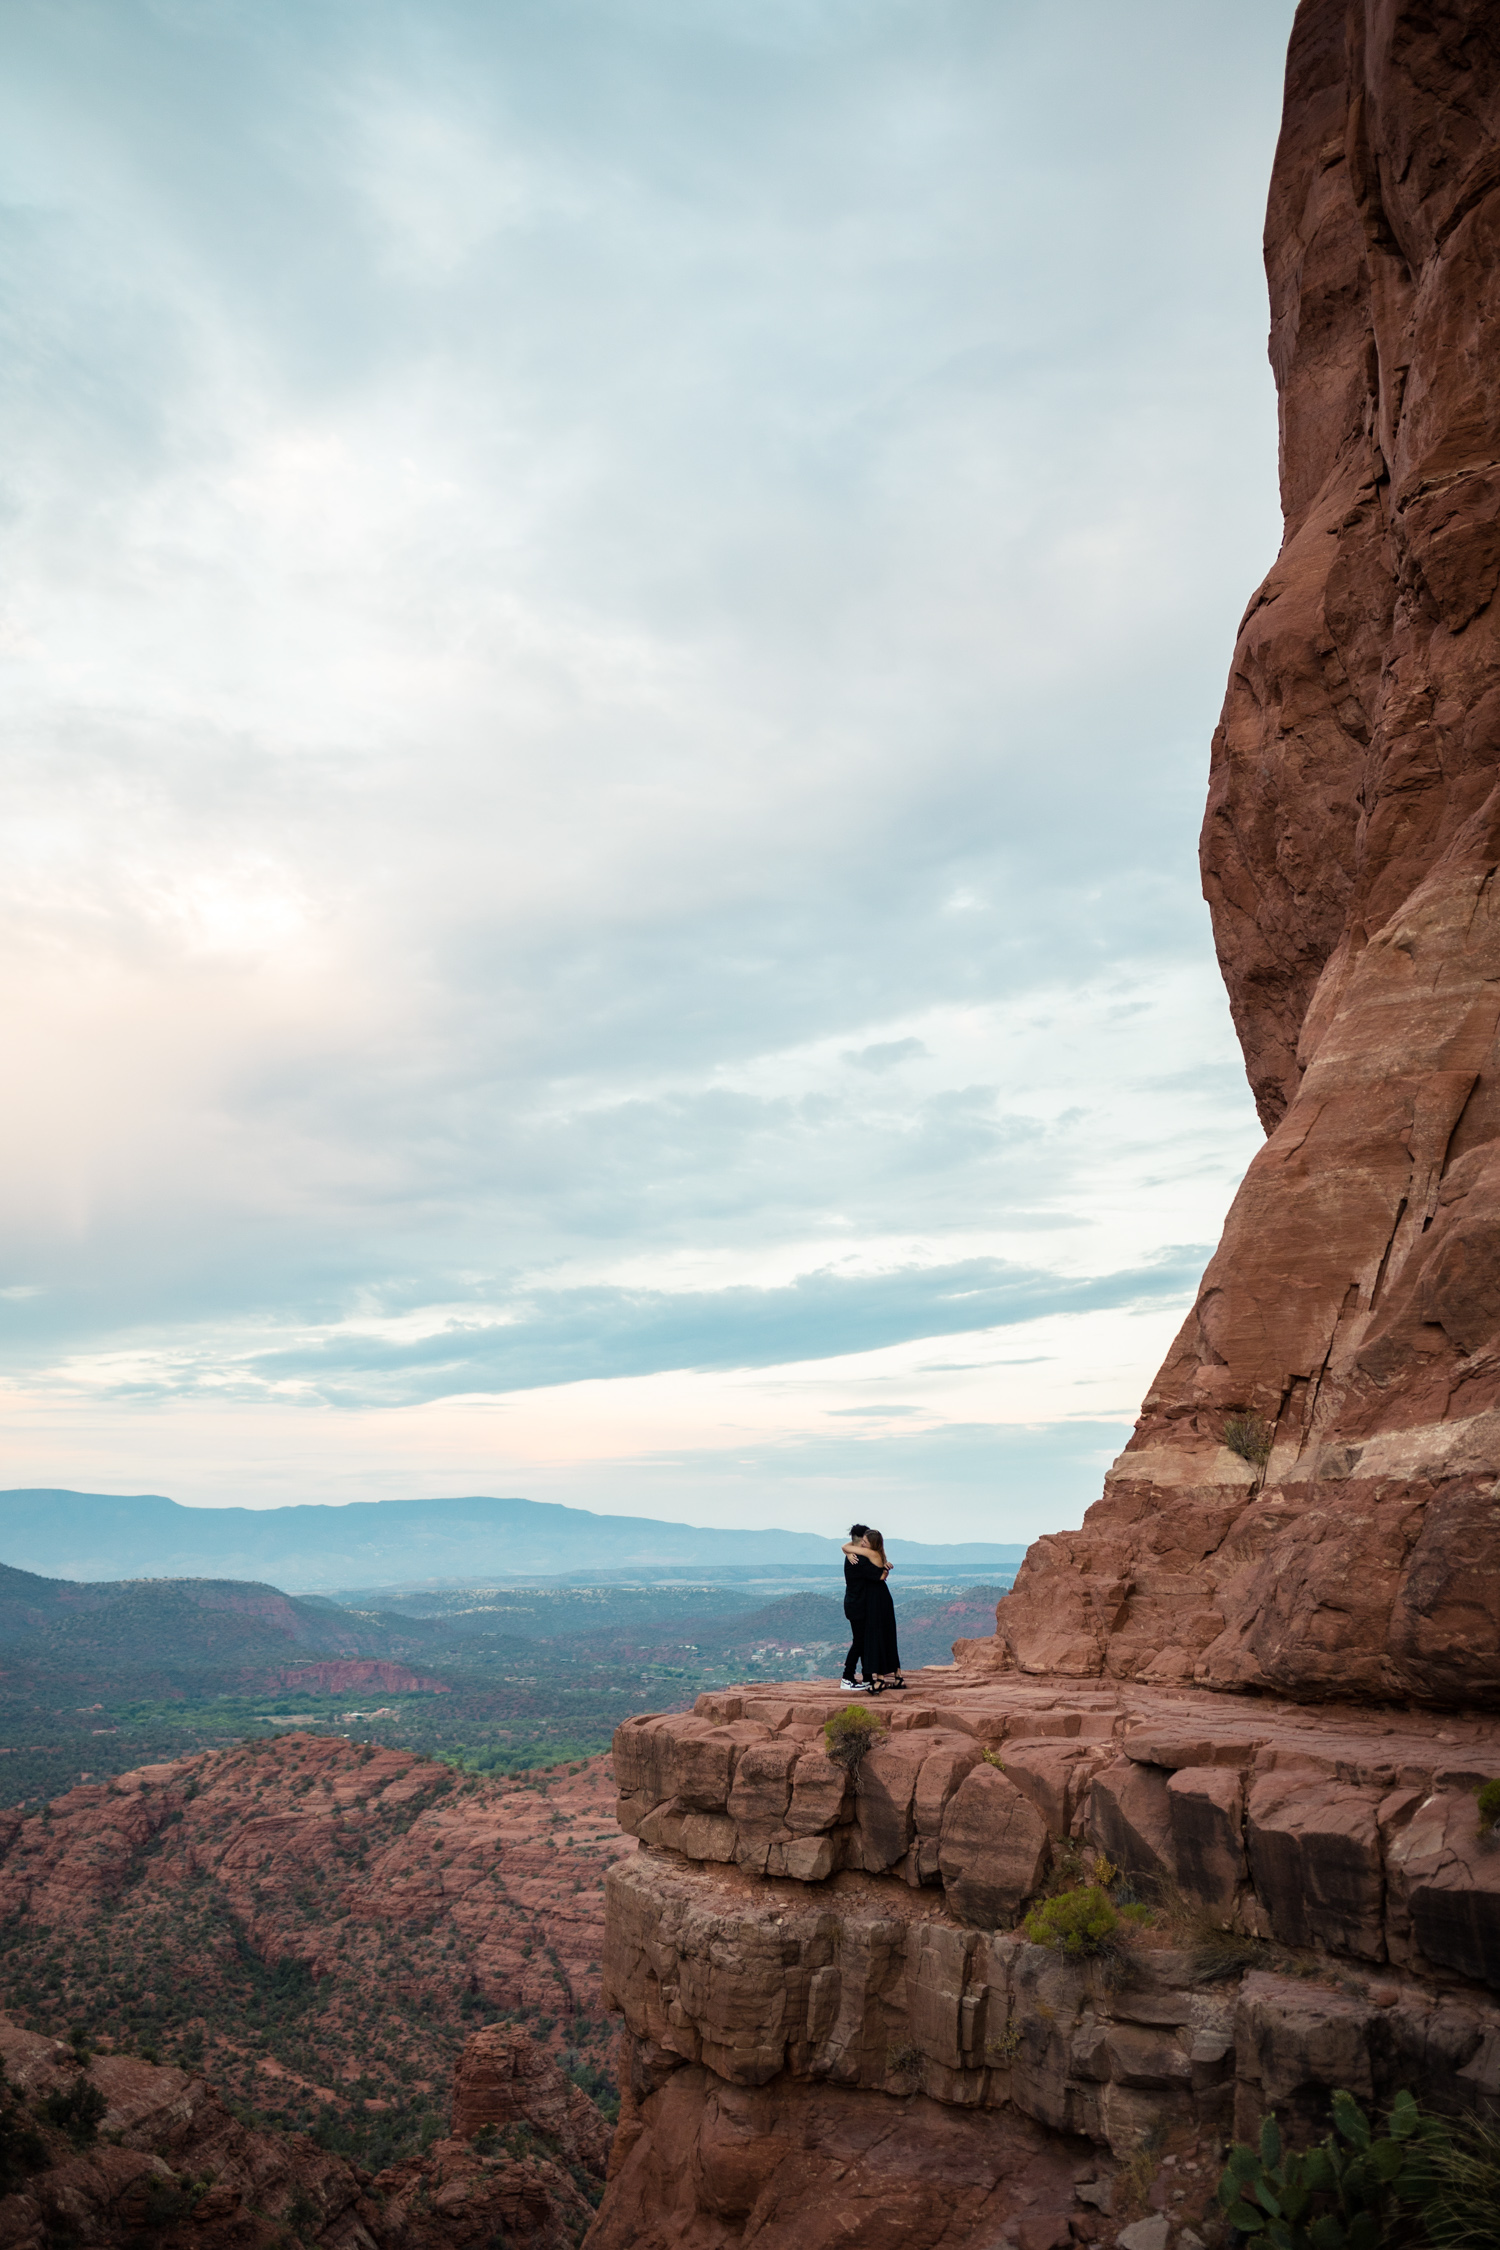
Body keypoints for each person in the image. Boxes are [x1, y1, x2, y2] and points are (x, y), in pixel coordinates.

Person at [838, 1523, 904, 1692]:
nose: (863, 1544)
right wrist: (884, 1568)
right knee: (859, 1642)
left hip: (859, 1604)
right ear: (859, 1540)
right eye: (863, 1540)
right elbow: (879, 1575)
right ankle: (847, 1677)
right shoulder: (857, 1558)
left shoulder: (854, 1555)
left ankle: (867, 1677)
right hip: (857, 1605)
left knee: (863, 1641)